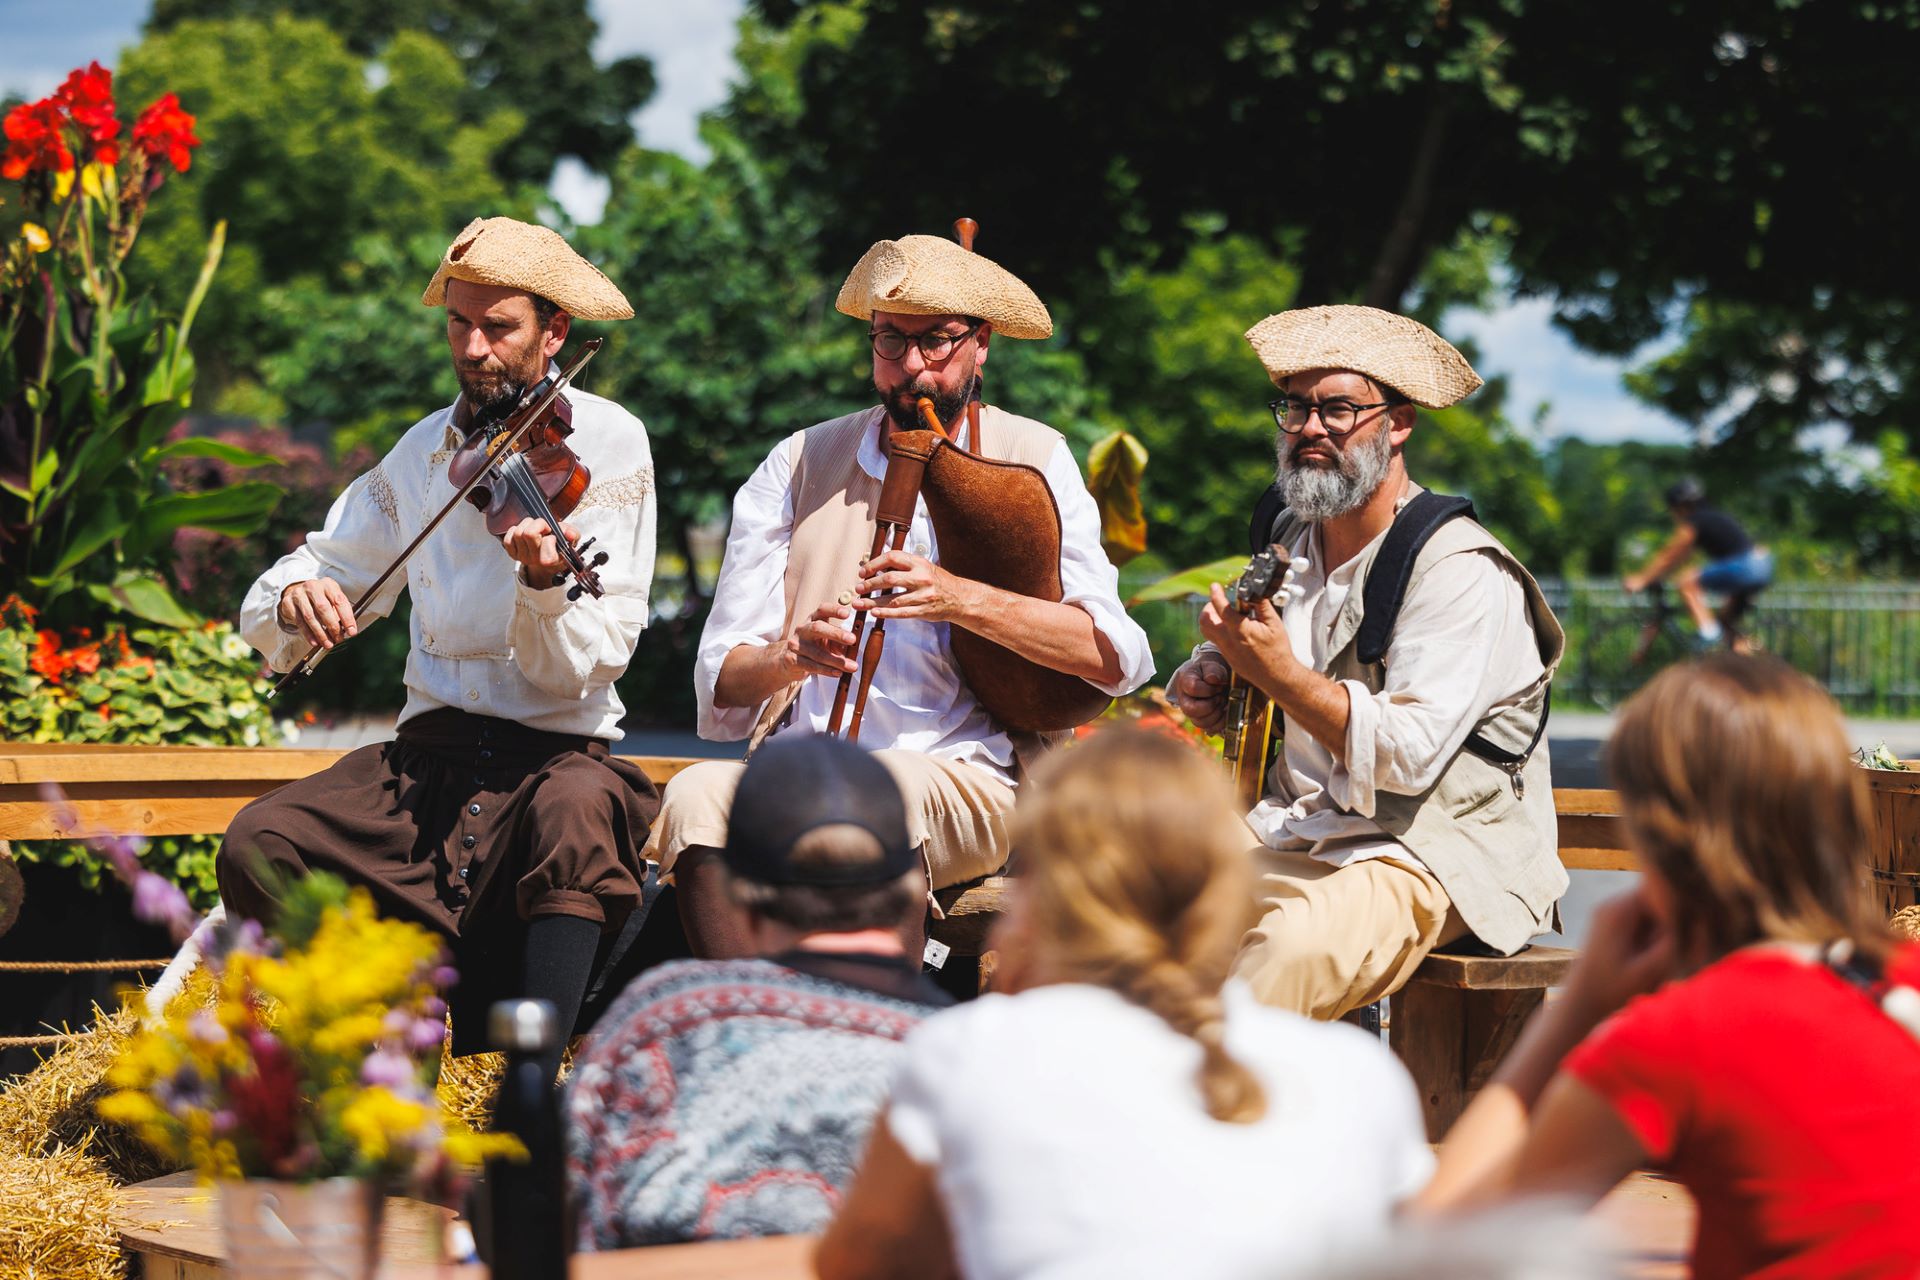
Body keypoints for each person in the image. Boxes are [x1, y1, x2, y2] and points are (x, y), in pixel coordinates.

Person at [218, 217, 660, 1074]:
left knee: (577, 813)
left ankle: (529, 1089)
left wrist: (541, 586)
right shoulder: (426, 451)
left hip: (555, 758)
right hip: (430, 756)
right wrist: (299, 593)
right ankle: (382, 1040)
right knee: (262, 839)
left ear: (554, 331)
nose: (475, 348)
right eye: (460, 324)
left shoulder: (610, 445)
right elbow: (323, 562)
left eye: (499, 327)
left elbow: (594, 660)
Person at [648, 231, 1154, 956]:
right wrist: (792, 656)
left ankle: (876, 1052)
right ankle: (747, 1034)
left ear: (982, 344)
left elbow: (1117, 657)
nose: (912, 367)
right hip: (806, 764)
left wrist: (959, 597)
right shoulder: (799, 462)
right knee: (696, 798)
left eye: (938, 342)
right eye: (891, 341)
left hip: (970, 780)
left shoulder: (1035, 457)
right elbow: (723, 683)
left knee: (882, 788)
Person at [816, 729, 1433, 1280]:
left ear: (1039, 897)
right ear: (1226, 895)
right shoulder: (1356, 1073)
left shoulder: (966, 1053)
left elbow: (858, 1263)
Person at [1420, 654, 1920, 1280]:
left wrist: (1580, 1008)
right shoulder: (1904, 973)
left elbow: (1435, 1243)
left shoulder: (1685, 1037)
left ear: (1660, 838)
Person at [1168, 305, 1566, 1021]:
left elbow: (1408, 757)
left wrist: (1276, 674)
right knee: (1111, 899)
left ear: (1399, 423)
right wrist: (1212, 671)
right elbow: (1261, 649)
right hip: (1292, 826)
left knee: (1287, 954)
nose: (1311, 429)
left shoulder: (1461, 570)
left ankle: (1212, 1123)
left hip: (1425, 852)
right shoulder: (1289, 529)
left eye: (1339, 409)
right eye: (1296, 407)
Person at [564, 736, 951, 1248]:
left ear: (738, 896)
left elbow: (553, 1201)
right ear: (911, 892)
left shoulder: (655, 1025)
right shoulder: (971, 1061)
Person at [1622, 477, 1772, 653]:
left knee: (1686, 582)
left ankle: (1709, 635)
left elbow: (1669, 556)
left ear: (1680, 507)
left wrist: (1642, 579)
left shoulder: (1694, 521)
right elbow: (1680, 558)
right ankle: (1763, 663)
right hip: (1762, 564)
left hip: (1747, 566)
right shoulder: (1712, 517)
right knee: (1727, 627)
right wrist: (1658, 575)